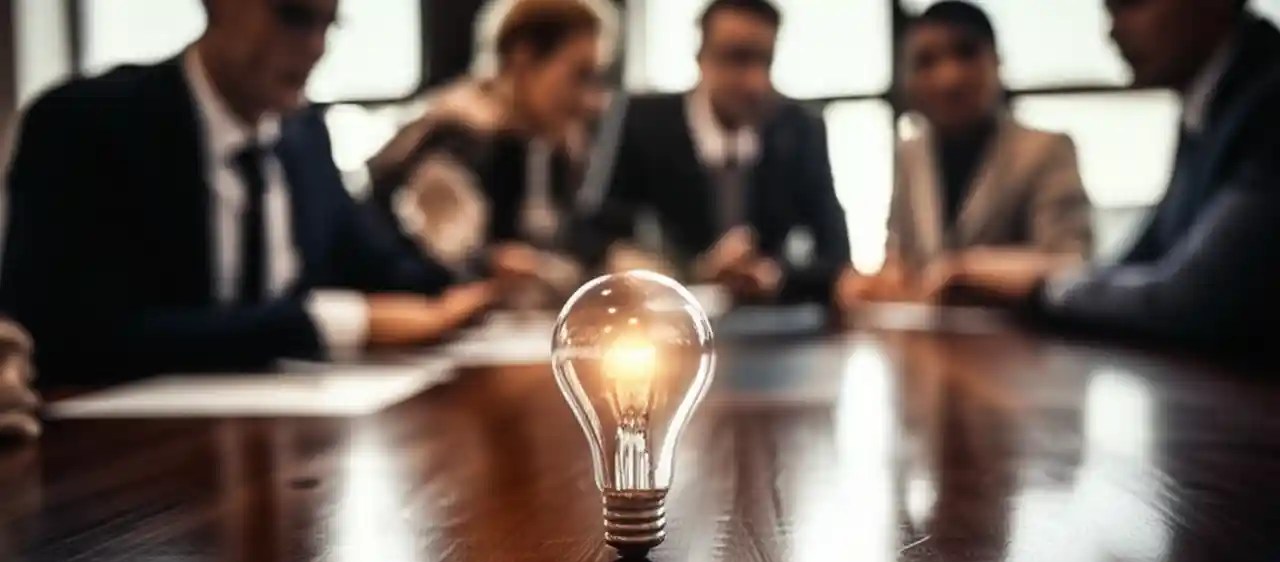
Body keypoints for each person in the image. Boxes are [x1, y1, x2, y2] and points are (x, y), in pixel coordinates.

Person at [0, 0, 495, 382]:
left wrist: (474, 270)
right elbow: (68, 334)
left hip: (287, 442)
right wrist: (324, 324)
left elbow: (378, 267)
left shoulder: (304, 135)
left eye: (329, 25)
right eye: (294, 16)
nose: (316, 47)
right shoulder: (85, 124)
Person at [993, 0, 1278, 350]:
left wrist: (1041, 288)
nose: (1112, 31)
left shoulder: (1267, 101)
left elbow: (1192, 301)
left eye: (1131, 3)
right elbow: (1141, 260)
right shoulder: (1211, 105)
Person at [593, 0, 850, 305]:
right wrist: (680, 273)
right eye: (737, 58)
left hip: (769, 321)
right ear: (701, 58)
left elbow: (837, 255)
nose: (755, 82)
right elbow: (594, 232)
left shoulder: (800, 129)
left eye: (765, 61)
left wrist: (775, 275)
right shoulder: (643, 122)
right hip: (668, 315)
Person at [840, 1, 1093, 306]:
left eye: (966, 53)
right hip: (926, 332)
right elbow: (899, 258)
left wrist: (965, 271)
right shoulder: (910, 154)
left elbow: (1070, 264)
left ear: (996, 61)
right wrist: (874, 282)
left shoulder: (1046, 150)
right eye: (926, 62)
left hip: (1016, 332)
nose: (949, 78)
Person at [367, 0, 615, 309]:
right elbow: (438, 272)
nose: (594, 101)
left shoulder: (546, 147)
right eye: (580, 76)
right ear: (523, 59)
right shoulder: (454, 140)